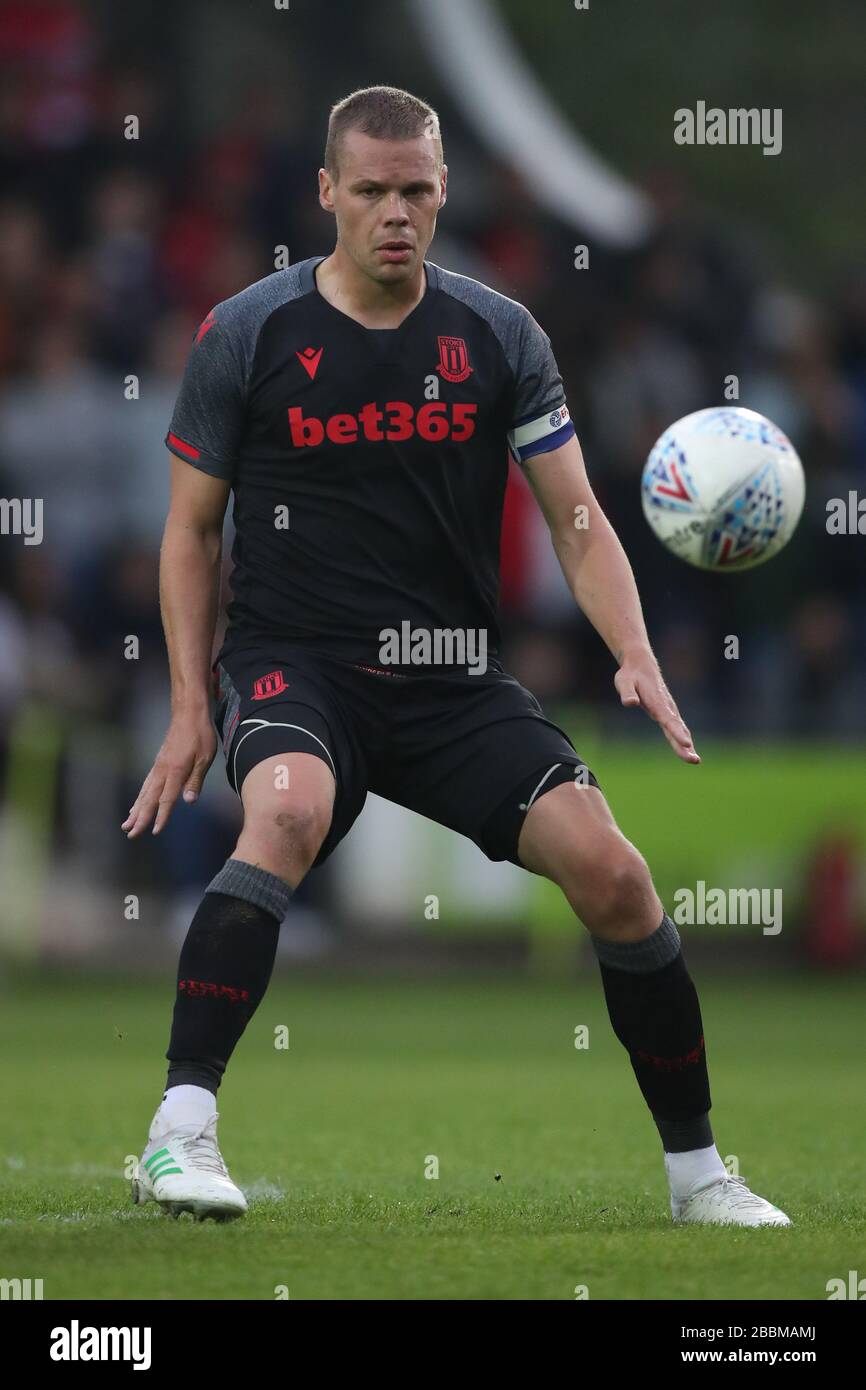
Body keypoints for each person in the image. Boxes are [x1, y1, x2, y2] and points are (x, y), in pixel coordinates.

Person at [124, 86, 788, 1228]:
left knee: (616, 875)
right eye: (372, 189)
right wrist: (193, 703)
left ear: (441, 194)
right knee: (282, 813)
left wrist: (630, 648)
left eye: (418, 190)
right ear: (327, 193)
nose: (396, 211)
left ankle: (699, 1176)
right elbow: (188, 532)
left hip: (449, 677)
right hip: (299, 663)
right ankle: (178, 1134)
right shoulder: (246, 333)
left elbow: (577, 517)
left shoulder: (496, 334)